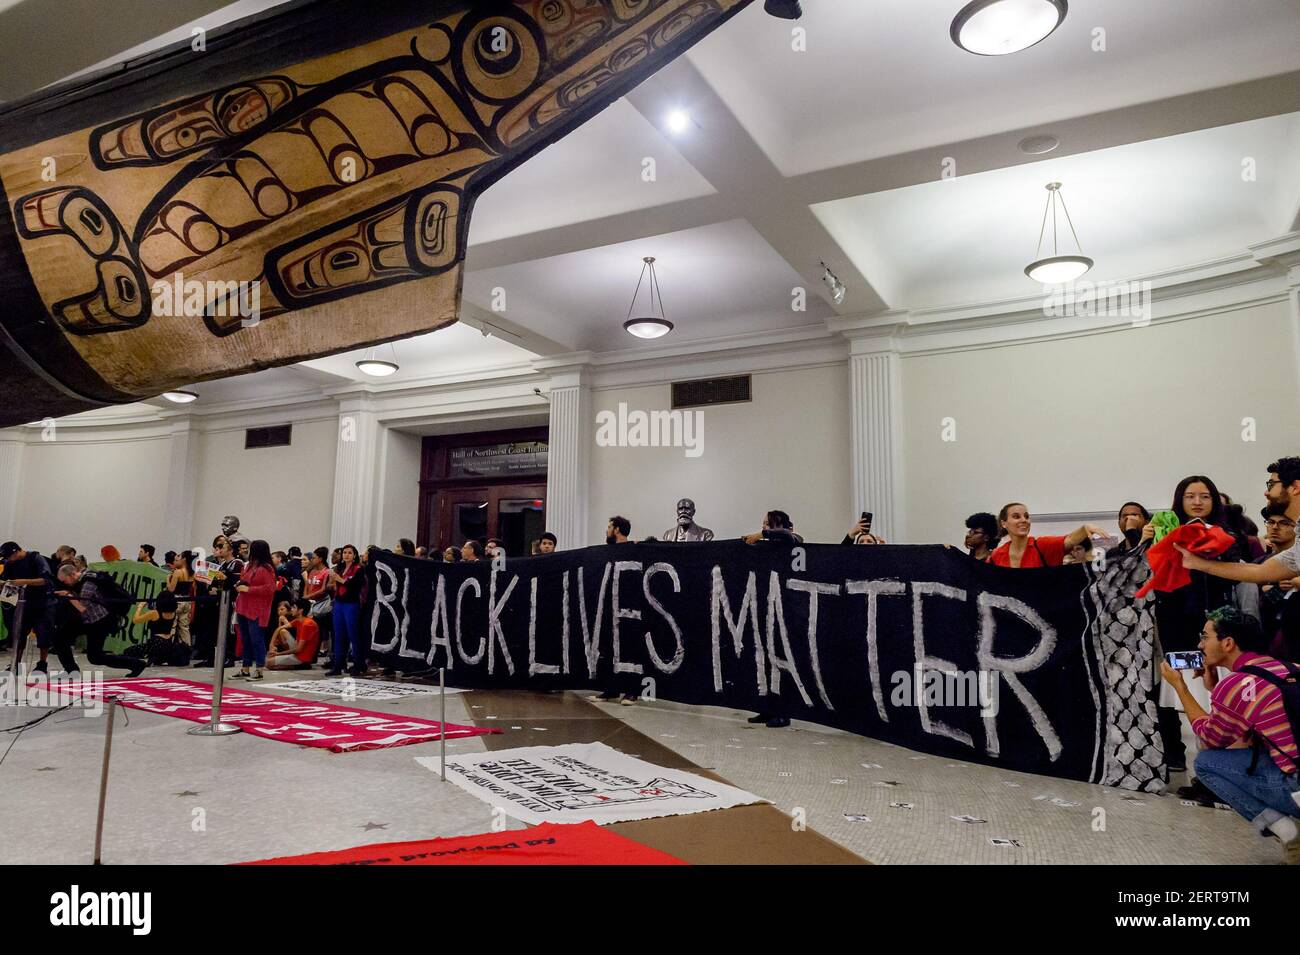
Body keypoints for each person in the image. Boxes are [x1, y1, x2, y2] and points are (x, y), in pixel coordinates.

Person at [1159, 608, 1299, 863]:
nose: (1199, 645)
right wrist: (1214, 688)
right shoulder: (1290, 668)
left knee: (1208, 763)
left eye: (1204, 637)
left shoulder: (1236, 684)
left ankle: (1289, 833)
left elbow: (1210, 738)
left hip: (1295, 787)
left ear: (1228, 643)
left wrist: (1180, 687)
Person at [1156, 474, 1258, 773]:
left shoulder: (1230, 535)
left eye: (1204, 496)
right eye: (1190, 496)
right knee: (1185, 699)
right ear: (1180, 501)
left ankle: (1222, 773)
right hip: (1177, 626)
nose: (1197, 502)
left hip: (1219, 629)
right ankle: (1200, 772)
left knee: (1222, 701)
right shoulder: (1165, 533)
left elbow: (1239, 578)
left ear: (1214, 500)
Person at [55, 563, 144, 677]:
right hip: (88, 619)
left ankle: (136, 664)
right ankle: (71, 671)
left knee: (95, 657)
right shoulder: (82, 579)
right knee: (59, 638)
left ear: (72, 574)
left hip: (100, 621)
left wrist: (68, 595)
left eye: (64, 581)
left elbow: (82, 607)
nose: (64, 584)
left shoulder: (88, 583)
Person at [1, 541, 59, 676]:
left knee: (43, 634)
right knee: (19, 633)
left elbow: (46, 580)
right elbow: (5, 578)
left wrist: (24, 581)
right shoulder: (10, 563)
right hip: (23, 604)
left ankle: (42, 663)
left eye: (9, 556)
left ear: (16, 552)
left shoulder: (36, 559)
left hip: (43, 603)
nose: (8, 560)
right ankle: (16, 663)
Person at [989, 503, 1106, 568]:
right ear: (1004, 523)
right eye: (1016, 516)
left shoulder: (1041, 545)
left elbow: (1069, 540)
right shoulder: (997, 555)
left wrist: (1085, 528)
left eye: (1026, 516)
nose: (1024, 520)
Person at [1258, 504, 1300, 662]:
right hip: (1270, 647)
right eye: (1270, 522)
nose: (1275, 527)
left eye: (1283, 523)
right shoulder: (1258, 564)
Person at [231, 539, 276, 681]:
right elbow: (244, 580)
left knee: (257, 639)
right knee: (245, 639)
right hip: (243, 606)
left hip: (257, 608)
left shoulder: (266, 569)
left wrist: (249, 589)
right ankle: (245, 668)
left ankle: (259, 669)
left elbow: (269, 589)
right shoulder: (248, 566)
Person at [328, 544, 364, 677]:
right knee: (338, 634)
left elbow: (355, 585)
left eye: (349, 553)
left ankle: (357, 664)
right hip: (339, 603)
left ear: (354, 555)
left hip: (351, 603)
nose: (346, 555)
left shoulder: (358, 569)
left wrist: (340, 580)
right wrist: (334, 580)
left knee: (353, 634)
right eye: (344, 553)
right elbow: (335, 585)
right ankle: (338, 665)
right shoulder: (340, 568)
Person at [131, 591, 184, 666]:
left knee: (128, 651)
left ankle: (154, 656)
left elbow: (135, 620)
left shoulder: (155, 613)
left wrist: (140, 607)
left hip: (156, 643)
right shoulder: (173, 613)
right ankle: (156, 657)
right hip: (168, 643)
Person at [267, 599, 321, 670]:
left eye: (294, 607)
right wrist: (271, 645)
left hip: (303, 657)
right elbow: (279, 629)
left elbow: (298, 649)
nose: (291, 609)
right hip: (298, 651)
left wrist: (279, 654)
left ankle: (302, 665)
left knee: (268, 663)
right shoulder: (299, 620)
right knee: (283, 631)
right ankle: (298, 665)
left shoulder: (307, 624)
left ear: (301, 610)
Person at [165, 550, 194, 648]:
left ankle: (168, 649)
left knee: (172, 626)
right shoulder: (191, 573)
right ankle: (187, 649)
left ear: (184, 559)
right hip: (187, 600)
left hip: (176, 600)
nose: (177, 559)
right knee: (184, 627)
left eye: (179, 556)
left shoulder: (177, 572)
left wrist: (167, 579)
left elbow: (171, 589)